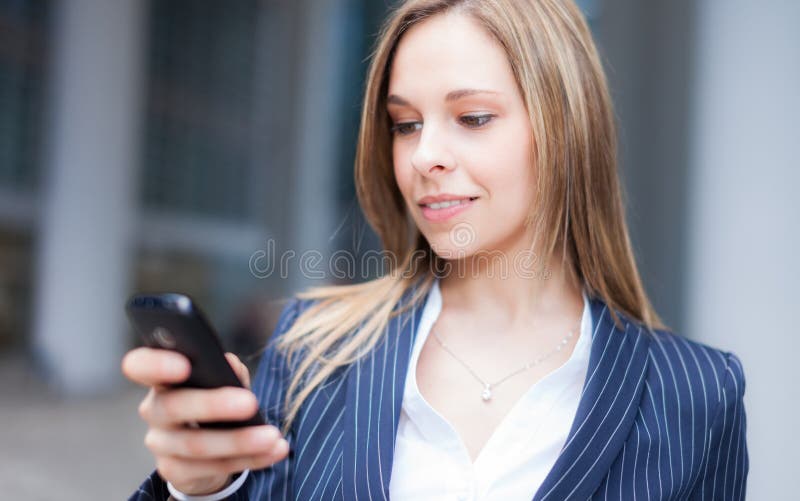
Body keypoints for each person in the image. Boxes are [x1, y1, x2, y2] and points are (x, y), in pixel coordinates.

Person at [124, 0, 749, 499]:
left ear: (567, 129)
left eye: (472, 118)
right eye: (405, 124)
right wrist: (202, 490)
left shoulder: (696, 395)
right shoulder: (315, 349)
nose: (424, 157)